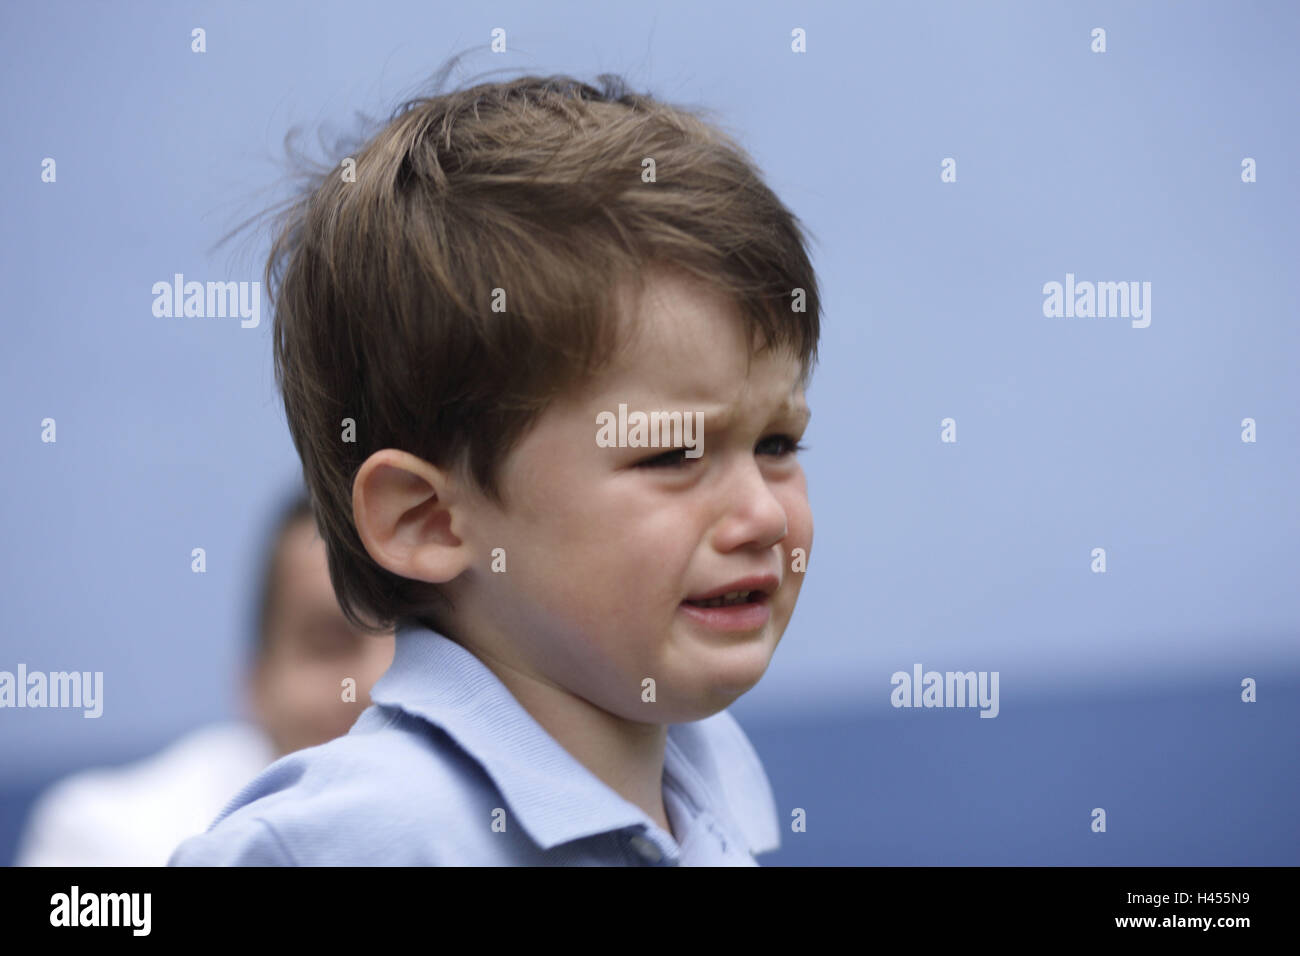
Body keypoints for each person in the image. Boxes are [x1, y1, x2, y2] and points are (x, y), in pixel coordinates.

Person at [170, 64, 820, 866]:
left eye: (777, 445)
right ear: (428, 519)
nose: (761, 514)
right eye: (671, 454)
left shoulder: (709, 775)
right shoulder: (356, 837)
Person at [15, 491, 394, 866]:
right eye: (329, 642)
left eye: (423, 643)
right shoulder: (107, 837)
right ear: (256, 685)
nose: (378, 685)